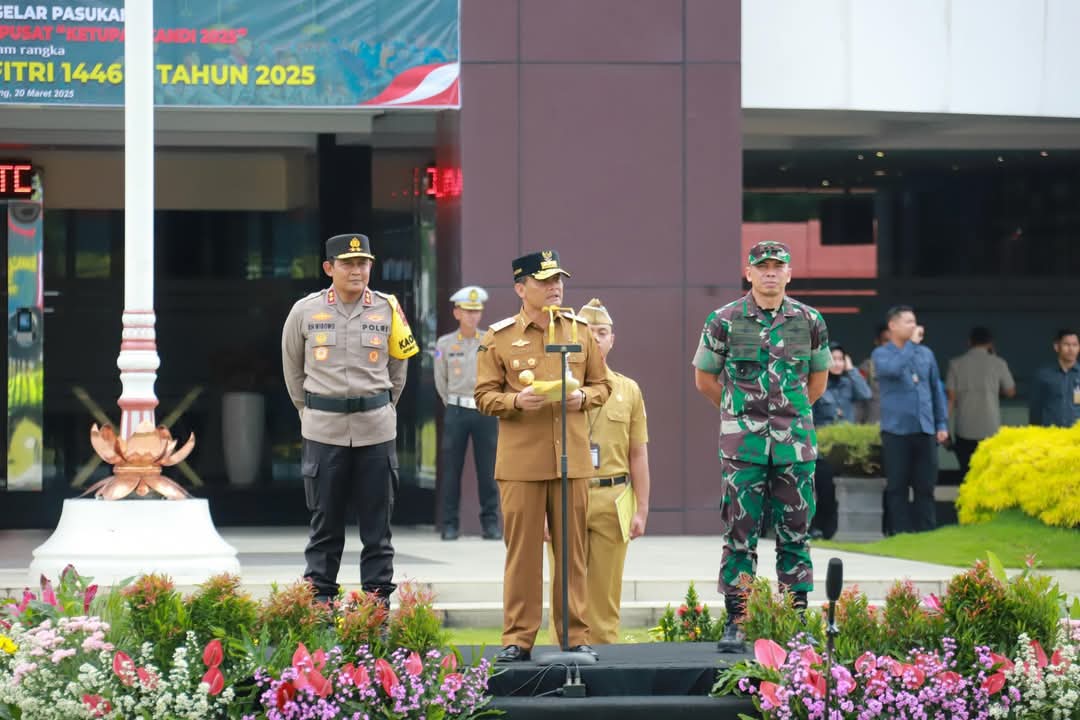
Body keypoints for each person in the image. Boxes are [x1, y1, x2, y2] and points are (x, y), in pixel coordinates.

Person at [692, 240, 831, 653]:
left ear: (789, 273)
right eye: (762, 266)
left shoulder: (809, 321)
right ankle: (737, 620)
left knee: (796, 533)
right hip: (743, 448)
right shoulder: (724, 320)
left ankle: (796, 617)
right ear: (749, 273)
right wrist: (740, 416)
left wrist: (790, 416)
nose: (770, 273)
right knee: (740, 533)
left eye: (778, 266)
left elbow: (818, 380)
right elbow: (704, 379)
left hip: (795, 447)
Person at [474, 250, 611, 662]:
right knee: (523, 556)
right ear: (520, 288)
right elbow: (482, 396)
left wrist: (582, 396)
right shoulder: (498, 337)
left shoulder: (580, 331)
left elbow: (602, 386)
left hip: (572, 461)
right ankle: (517, 639)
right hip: (521, 464)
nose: (556, 287)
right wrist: (516, 401)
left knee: (573, 554)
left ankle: (575, 636)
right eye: (545, 281)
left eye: (559, 280)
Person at [281, 233, 419, 606]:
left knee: (378, 529)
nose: (357, 270)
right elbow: (293, 372)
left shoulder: (389, 308)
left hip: (375, 429)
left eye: (363, 263)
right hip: (324, 429)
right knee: (325, 526)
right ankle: (320, 606)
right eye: (348, 263)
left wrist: (381, 407)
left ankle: (376, 609)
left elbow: (398, 371)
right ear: (329, 268)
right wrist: (309, 412)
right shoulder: (305, 311)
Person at [546, 298, 650, 645]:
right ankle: (560, 661)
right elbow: (543, 451)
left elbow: (638, 453)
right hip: (565, 493)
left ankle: (605, 665)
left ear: (612, 340)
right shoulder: (555, 386)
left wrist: (642, 507)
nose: (596, 339)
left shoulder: (629, 389)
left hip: (613, 496)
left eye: (602, 333)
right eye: (587, 333)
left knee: (605, 596)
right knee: (564, 590)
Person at [872, 305, 948, 535]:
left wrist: (941, 423)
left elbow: (936, 389)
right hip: (896, 431)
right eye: (908, 322)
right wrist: (911, 346)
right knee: (897, 486)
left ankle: (926, 532)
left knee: (925, 486)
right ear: (892, 326)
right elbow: (893, 370)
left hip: (924, 428)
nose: (914, 326)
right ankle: (900, 533)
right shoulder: (881, 354)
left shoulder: (926, 354)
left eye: (914, 321)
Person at [434, 286, 501, 541]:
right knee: (452, 469)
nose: (473, 316)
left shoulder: (490, 341)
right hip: (457, 410)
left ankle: (491, 524)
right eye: (468, 311)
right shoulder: (445, 344)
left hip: (484, 411)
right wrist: (453, 403)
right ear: (457, 312)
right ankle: (450, 525)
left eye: (477, 311)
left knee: (488, 469)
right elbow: (441, 381)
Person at [810, 342, 872, 540]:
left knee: (841, 491)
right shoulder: (817, 383)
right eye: (832, 359)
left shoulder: (848, 382)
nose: (836, 363)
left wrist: (852, 369)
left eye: (840, 359)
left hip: (845, 449)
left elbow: (866, 394)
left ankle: (832, 529)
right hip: (823, 449)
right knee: (825, 492)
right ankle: (819, 527)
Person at [945, 327, 1016, 477]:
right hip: (990, 428)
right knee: (989, 475)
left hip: (964, 429)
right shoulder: (998, 363)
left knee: (967, 475)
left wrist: (943, 429)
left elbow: (951, 398)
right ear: (990, 343)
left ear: (969, 342)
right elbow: (1010, 392)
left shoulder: (955, 364)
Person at [1029, 329, 1080, 428]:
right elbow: (1035, 408)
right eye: (1066, 344)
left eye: (1075, 345)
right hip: (1050, 435)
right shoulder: (1043, 375)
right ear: (1057, 347)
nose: (1071, 349)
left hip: (1077, 435)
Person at [855, 324, 890, 424]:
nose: (890, 345)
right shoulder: (867, 368)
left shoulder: (905, 366)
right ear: (877, 342)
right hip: (873, 425)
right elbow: (858, 401)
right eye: (886, 340)